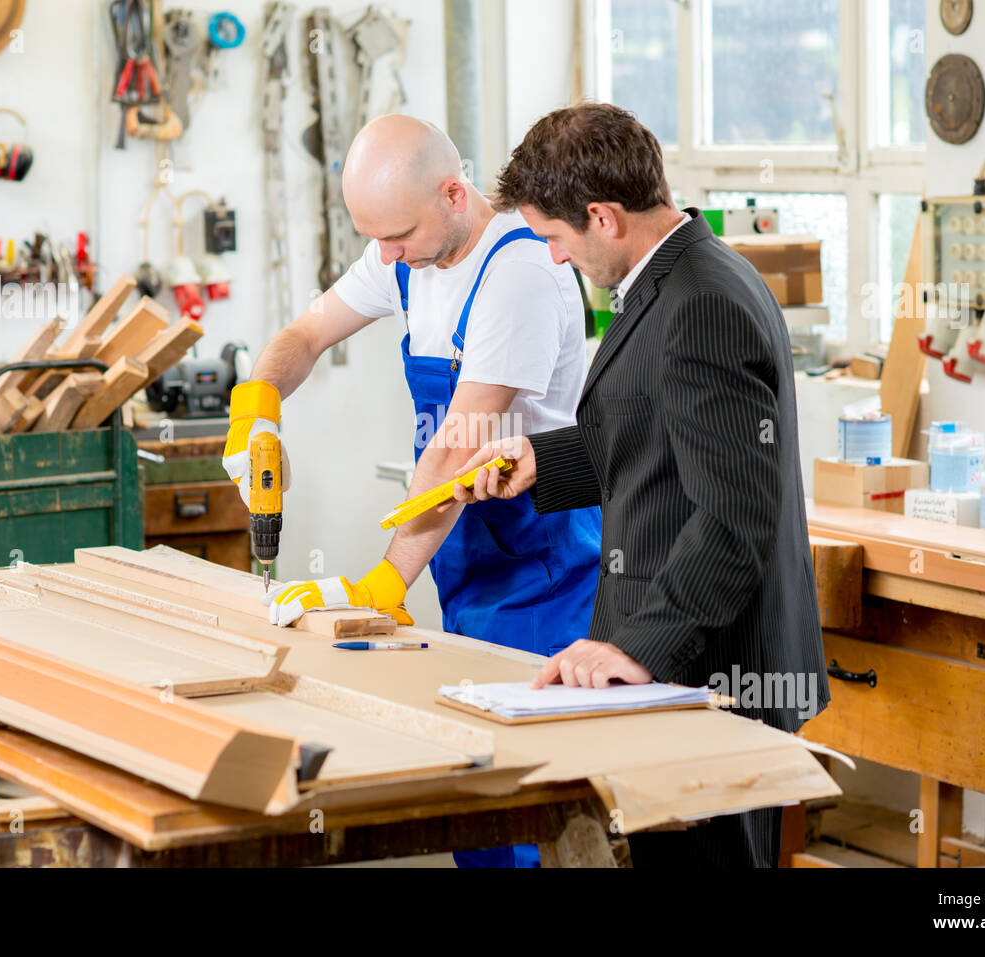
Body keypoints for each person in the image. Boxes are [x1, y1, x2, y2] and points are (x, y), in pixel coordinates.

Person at [450, 102, 829, 868]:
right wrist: (543, 460)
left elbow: (733, 515)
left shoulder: (701, 304)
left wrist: (639, 647)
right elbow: (661, 443)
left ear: (602, 216)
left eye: (555, 239)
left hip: (713, 674)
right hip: (683, 665)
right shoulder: (682, 277)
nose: (556, 260)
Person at [223, 114, 601, 868]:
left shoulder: (520, 271)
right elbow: (303, 335)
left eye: (396, 235)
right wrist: (256, 405)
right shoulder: (404, 255)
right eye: (376, 237)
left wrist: (384, 581)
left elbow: (459, 448)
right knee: (477, 789)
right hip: (465, 555)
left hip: (546, 566)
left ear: (454, 193)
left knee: (529, 798)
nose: (386, 254)